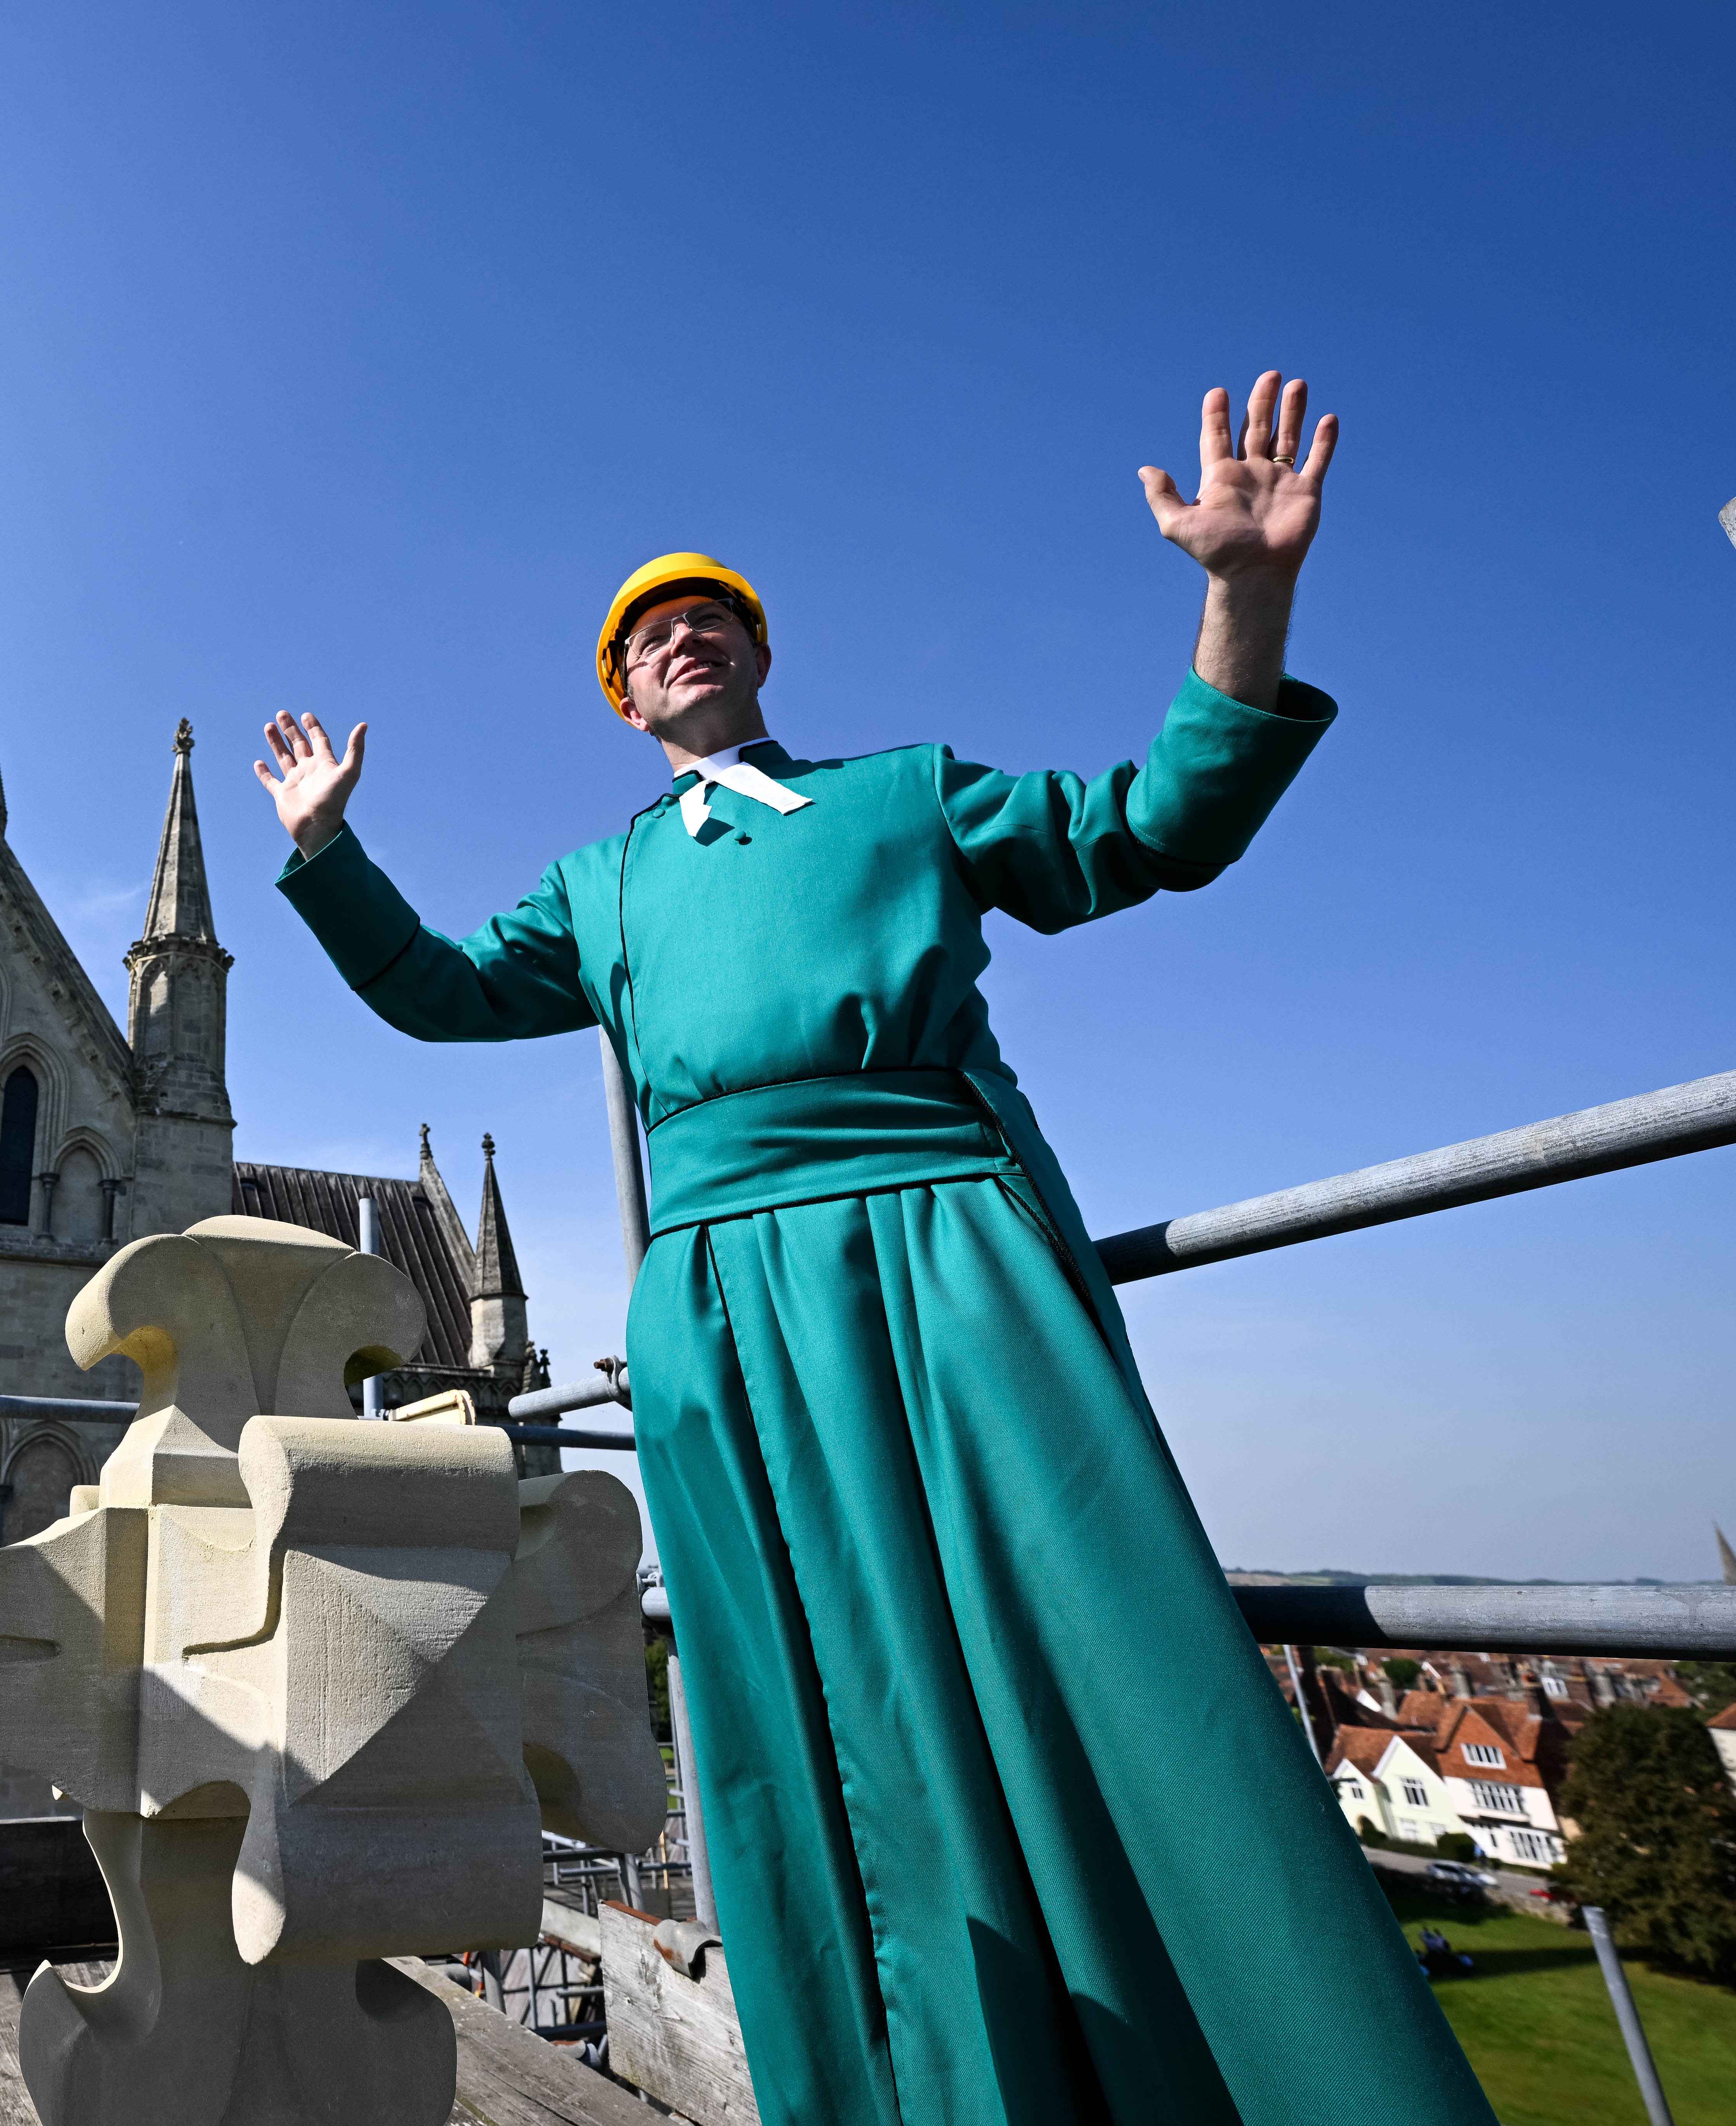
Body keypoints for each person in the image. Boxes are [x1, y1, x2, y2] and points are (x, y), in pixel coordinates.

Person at [256, 376, 1494, 2123]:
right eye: (645, 635)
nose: (679, 634)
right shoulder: (599, 885)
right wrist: (329, 849)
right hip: (720, 1305)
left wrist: (1246, 595)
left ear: (759, 656)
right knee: (798, 1706)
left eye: (710, 615)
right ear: (624, 701)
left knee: (1087, 1631)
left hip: (945, 1260)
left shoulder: (909, 795)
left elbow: (1152, 829)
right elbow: (444, 991)